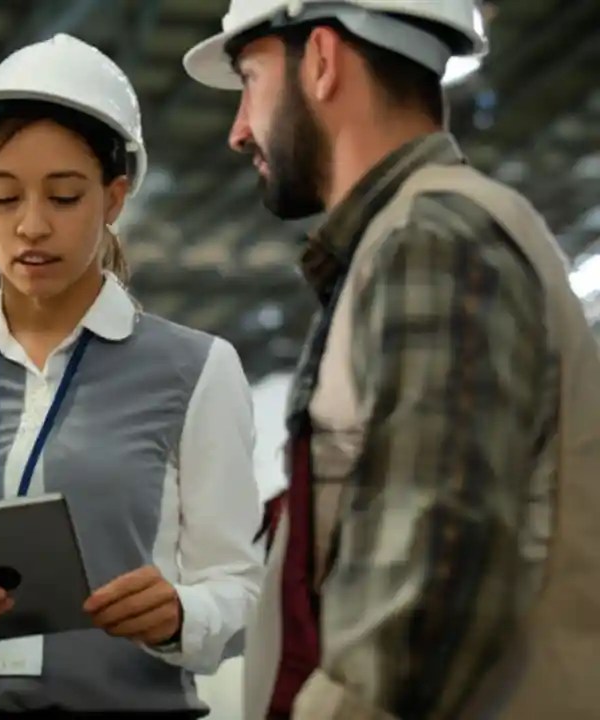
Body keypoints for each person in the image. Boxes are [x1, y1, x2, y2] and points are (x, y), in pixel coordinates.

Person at [183, 1, 600, 718]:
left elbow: (421, 605)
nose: (238, 129)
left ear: (321, 59)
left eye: (250, 80)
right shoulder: (409, 243)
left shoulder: (434, 241)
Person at [0, 33, 264, 715]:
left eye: (65, 196)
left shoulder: (195, 370)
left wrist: (181, 614)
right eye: (4, 197)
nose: (32, 226)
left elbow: (242, 589)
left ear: (113, 198)